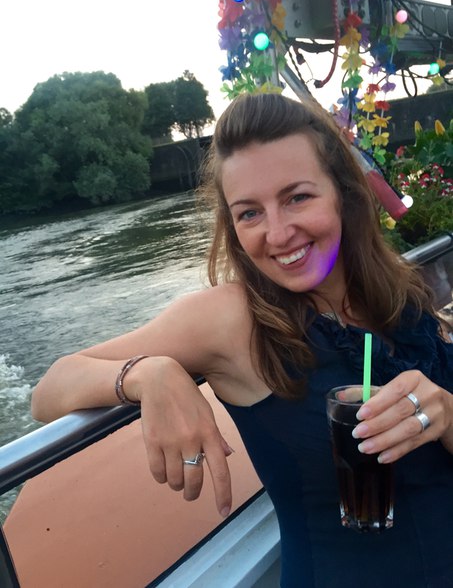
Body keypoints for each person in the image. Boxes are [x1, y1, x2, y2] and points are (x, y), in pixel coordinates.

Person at [32, 93, 453, 588]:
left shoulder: (396, 290)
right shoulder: (232, 318)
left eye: (297, 197)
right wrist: (149, 373)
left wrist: (445, 414)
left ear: (342, 192)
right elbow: (50, 390)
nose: (278, 233)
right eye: (250, 213)